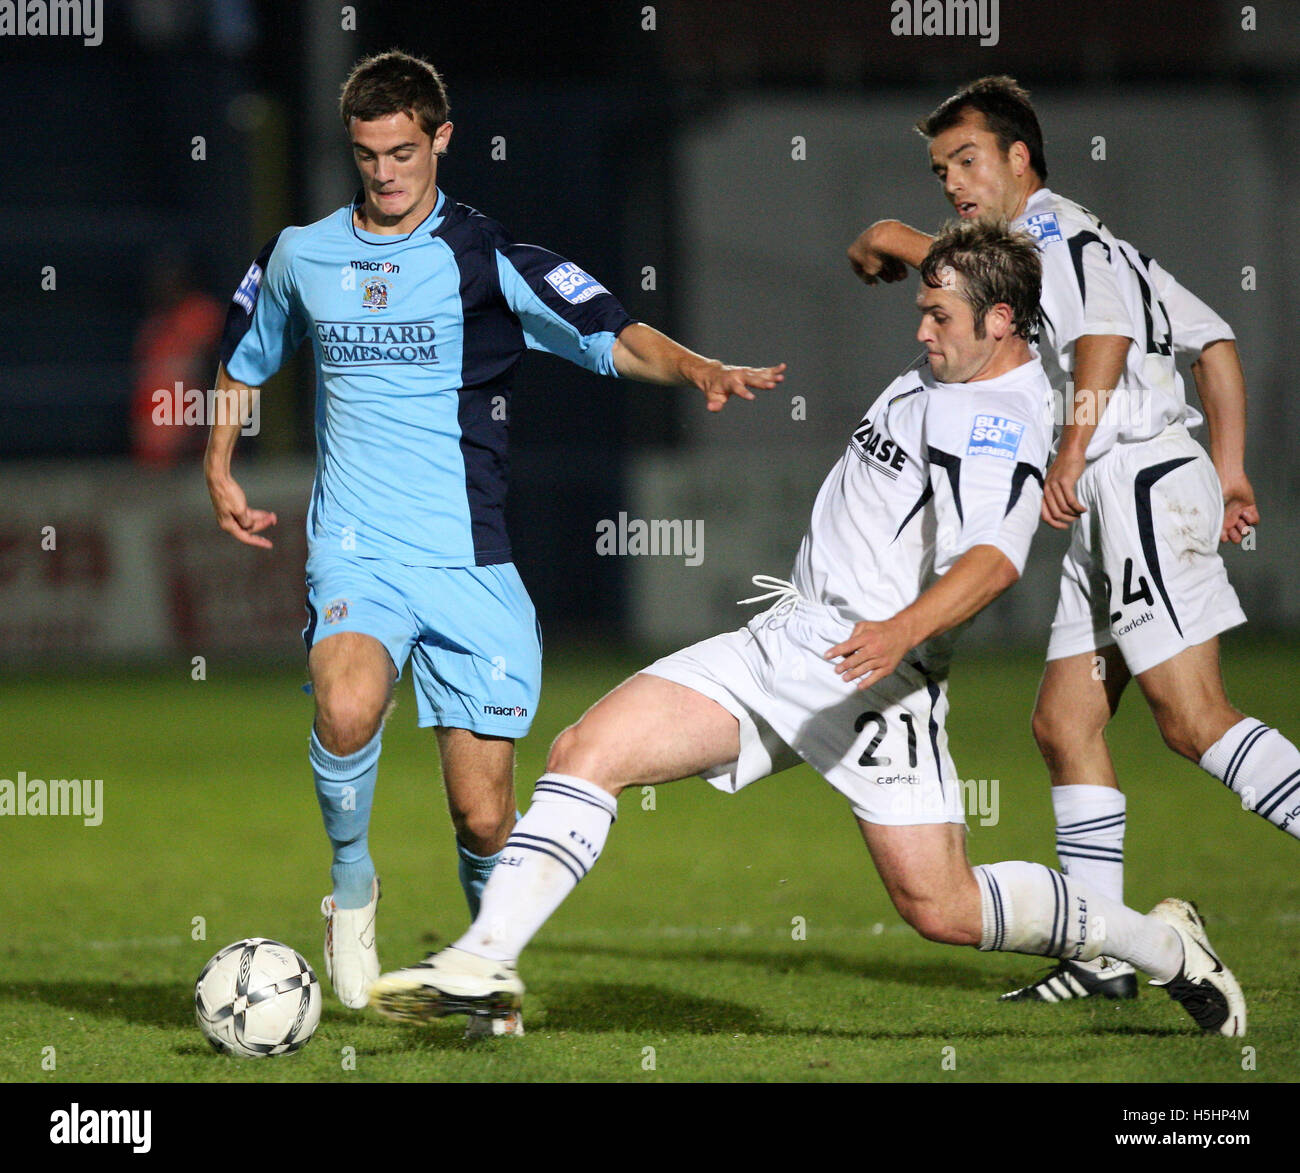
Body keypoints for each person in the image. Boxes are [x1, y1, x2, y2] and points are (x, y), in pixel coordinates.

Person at [367, 219, 1246, 1039]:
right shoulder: (968, 355)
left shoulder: (996, 423)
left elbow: (995, 562)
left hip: (873, 682)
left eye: (938, 315)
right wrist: (893, 242)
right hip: (785, 641)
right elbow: (988, 273)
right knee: (584, 751)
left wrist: (900, 632)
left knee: (941, 907)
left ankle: (1163, 947)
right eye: (921, 309)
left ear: (1002, 322)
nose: (922, 330)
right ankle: (486, 962)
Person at [203, 50, 785, 1035]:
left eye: (401, 152)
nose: (384, 174)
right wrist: (220, 463)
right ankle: (352, 892)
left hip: (471, 568)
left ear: (441, 139)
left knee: (483, 819)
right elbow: (242, 353)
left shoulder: (490, 260)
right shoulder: (303, 252)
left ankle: (485, 973)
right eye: (365, 155)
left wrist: (696, 367)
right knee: (345, 706)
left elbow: (613, 331)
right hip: (359, 552)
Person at [846, 75, 1298, 1004]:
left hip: (1128, 477)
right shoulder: (1091, 244)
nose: (954, 182)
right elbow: (1212, 343)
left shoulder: (1053, 229)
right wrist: (1235, 467)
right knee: (1064, 722)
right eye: (940, 171)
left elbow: (1100, 339)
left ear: (1020, 159)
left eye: (968, 161)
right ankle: (1102, 950)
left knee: (1193, 718)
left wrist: (1073, 443)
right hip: (1124, 488)